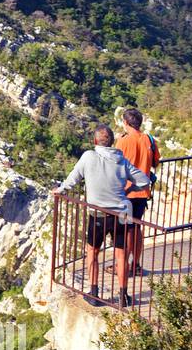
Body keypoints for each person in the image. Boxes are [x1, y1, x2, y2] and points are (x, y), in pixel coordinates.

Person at [52, 124, 152, 309]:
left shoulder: (88, 157)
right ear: (112, 142)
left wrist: (59, 190)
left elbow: (73, 179)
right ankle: (123, 296)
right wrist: (130, 188)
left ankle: (94, 293)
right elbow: (145, 180)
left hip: (97, 214)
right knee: (121, 255)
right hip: (121, 214)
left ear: (95, 141)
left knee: (93, 252)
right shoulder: (121, 160)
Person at [115, 108, 160, 280]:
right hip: (143, 192)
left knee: (125, 230)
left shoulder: (123, 142)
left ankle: (123, 266)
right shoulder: (149, 139)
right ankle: (136, 264)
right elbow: (156, 162)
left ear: (126, 123)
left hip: (126, 192)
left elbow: (115, 165)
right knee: (136, 228)